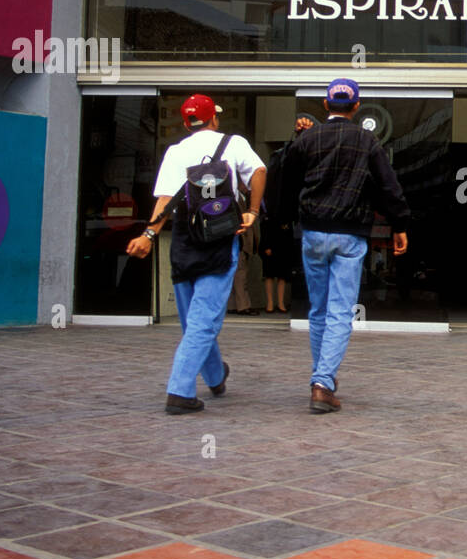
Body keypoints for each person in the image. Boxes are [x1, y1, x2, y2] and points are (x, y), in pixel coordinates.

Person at [127, 94, 265, 415]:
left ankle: (216, 376)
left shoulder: (176, 151)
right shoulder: (234, 144)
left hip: (184, 240)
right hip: (220, 236)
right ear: (214, 119)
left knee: (194, 322)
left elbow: (164, 201)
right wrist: (253, 211)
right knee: (204, 321)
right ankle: (179, 390)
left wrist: (148, 235)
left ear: (187, 122)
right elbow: (259, 171)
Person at [278, 80, 409, 413]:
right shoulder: (367, 142)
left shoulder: (308, 139)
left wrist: (283, 221)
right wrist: (400, 224)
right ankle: (322, 383)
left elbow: (286, 183)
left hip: (312, 233)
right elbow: (389, 187)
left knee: (318, 310)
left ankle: (324, 379)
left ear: (325, 105)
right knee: (339, 312)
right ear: (355, 107)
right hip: (349, 235)